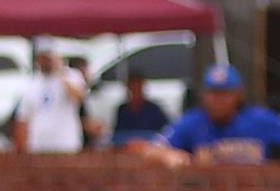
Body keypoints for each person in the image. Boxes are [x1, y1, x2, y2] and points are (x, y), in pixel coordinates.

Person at [136, 63, 280, 167]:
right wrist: (169, 155)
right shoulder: (193, 122)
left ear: (239, 95)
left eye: (225, 93)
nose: (218, 99)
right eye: (213, 93)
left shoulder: (261, 120)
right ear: (204, 95)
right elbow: (151, 150)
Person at [11, 39, 87, 155]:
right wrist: (22, 147)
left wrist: (60, 72)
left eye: (48, 57)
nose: (46, 61)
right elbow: (22, 118)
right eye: (42, 58)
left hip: (66, 145)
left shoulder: (72, 75)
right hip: (38, 147)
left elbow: (78, 97)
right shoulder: (33, 84)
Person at [108, 73, 171, 145]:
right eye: (133, 87)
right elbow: (117, 135)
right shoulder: (122, 110)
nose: (135, 90)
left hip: (150, 147)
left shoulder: (153, 109)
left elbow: (167, 131)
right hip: (128, 148)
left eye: (138, 87)